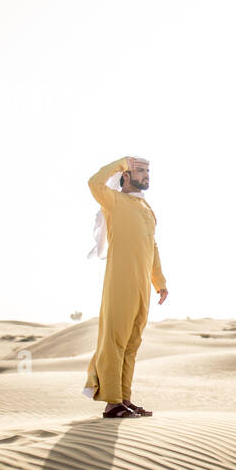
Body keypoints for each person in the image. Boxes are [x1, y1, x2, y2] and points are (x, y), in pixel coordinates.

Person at [82, 156, 168, 418]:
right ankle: (112, 402)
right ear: (127, 176)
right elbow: (94, 182)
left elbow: (151, 246)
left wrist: (160, 282)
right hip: (120, 281)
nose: (147, 175)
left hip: (142, 284)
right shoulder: (114, 201)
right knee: (115, 339)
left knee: (132, 342)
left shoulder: (146, 208)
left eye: (148, 171)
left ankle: (124, 399)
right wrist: (121, 163)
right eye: (140, 171)